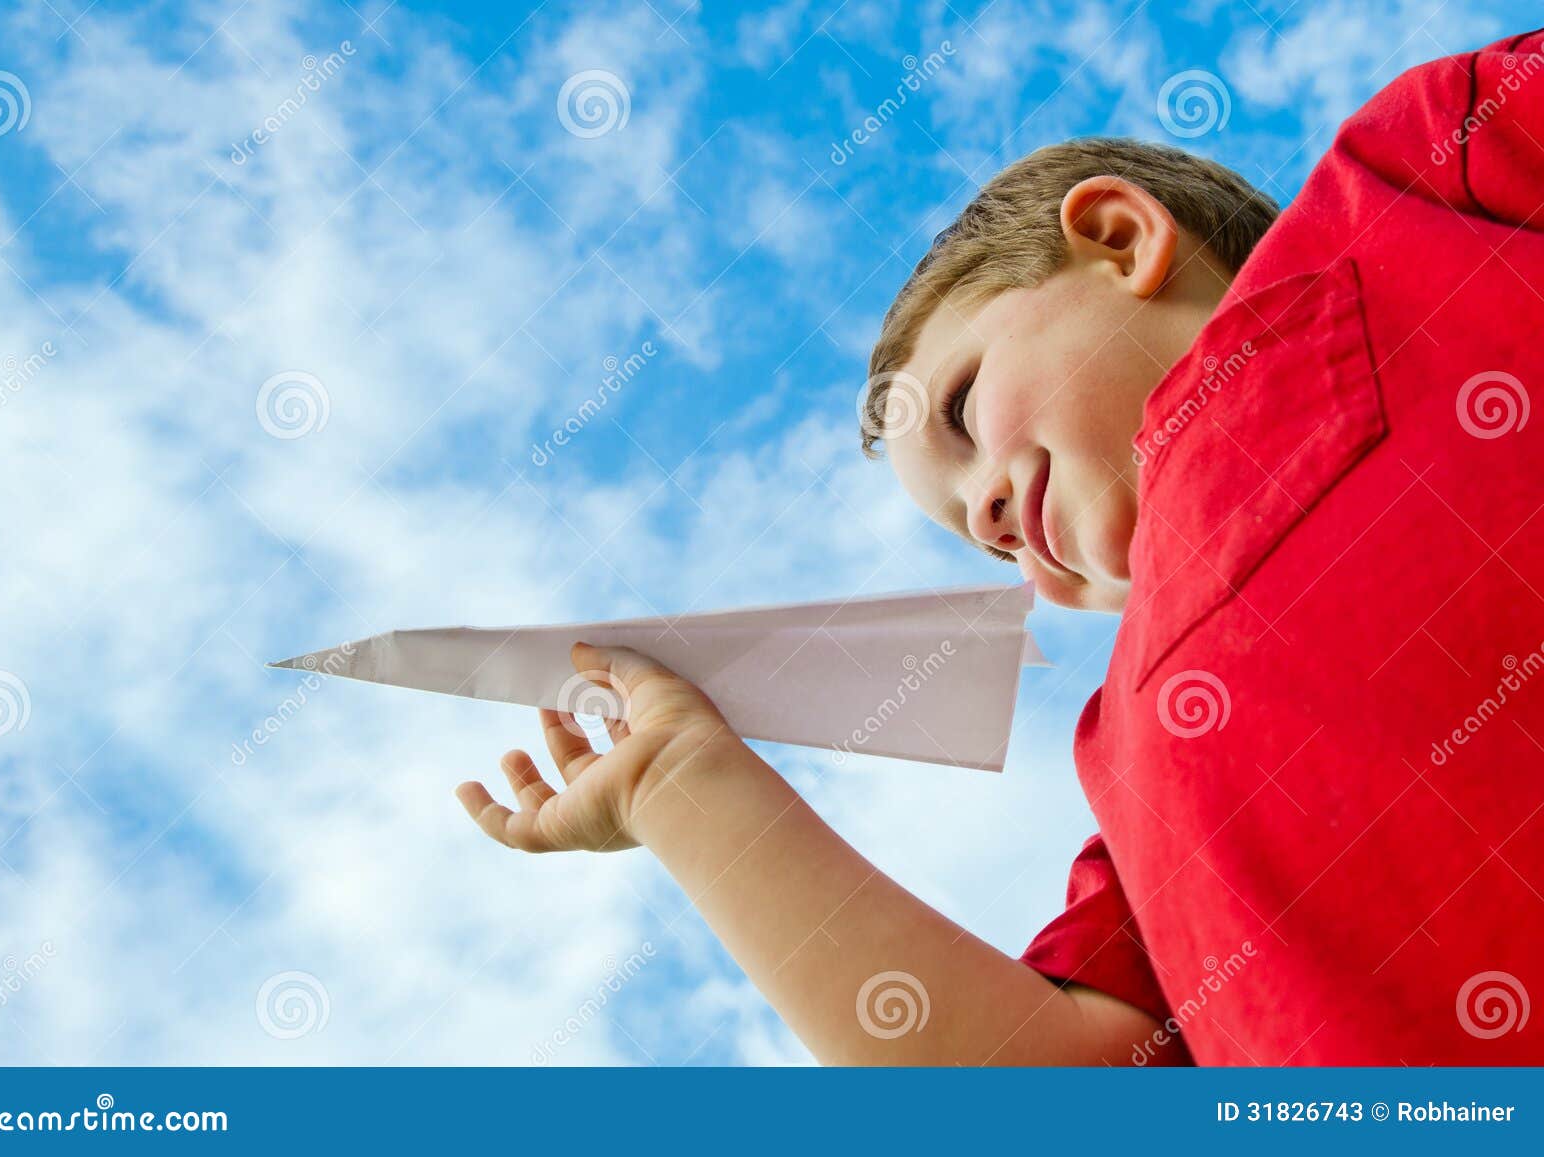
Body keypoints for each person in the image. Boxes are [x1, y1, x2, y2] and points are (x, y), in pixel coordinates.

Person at [457, 27, 1544, 1064]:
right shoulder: (1125, 768)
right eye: (972, 537)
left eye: (965, 411)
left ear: (1121, 239)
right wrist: (683, 786)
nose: (985, 515)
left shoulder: (1406, 185)